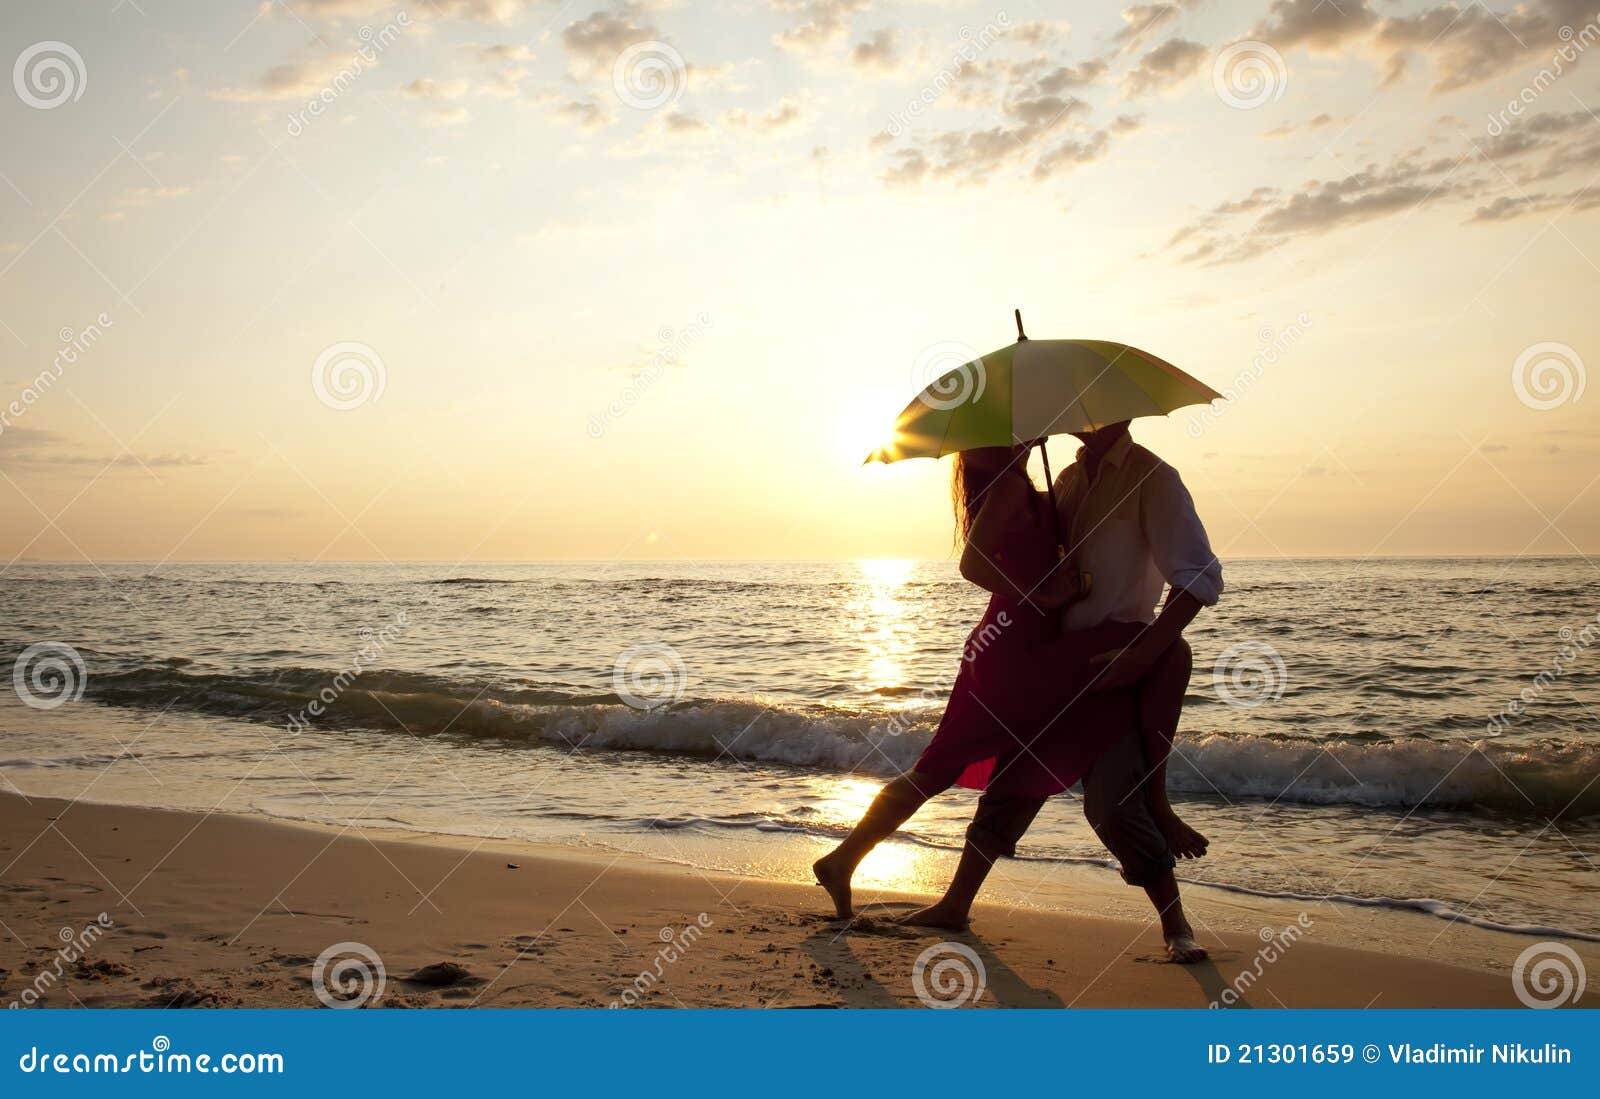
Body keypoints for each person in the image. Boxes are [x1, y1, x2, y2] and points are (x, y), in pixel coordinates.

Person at [901, 419, 1222, 964]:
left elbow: (1198, 577)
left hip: (1112, 662)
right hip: (1053, 662)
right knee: (1013, 782)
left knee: (1114, 804)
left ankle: (1177, 927)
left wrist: (1147, 652)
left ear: (1123, 412)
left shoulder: (1154, 479)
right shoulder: (1069, 480)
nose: (1083, 417)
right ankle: (955, 904)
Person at [813, 440, 1128, 924]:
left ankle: (871, 872)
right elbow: (973, 564)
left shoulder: (1019, 485)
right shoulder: (1006, 487)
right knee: (943, 768)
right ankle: (847, 863)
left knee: (968, 770)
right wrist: (1043, 596)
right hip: (1011, 654)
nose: (1035, 433)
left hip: (1018, 648)